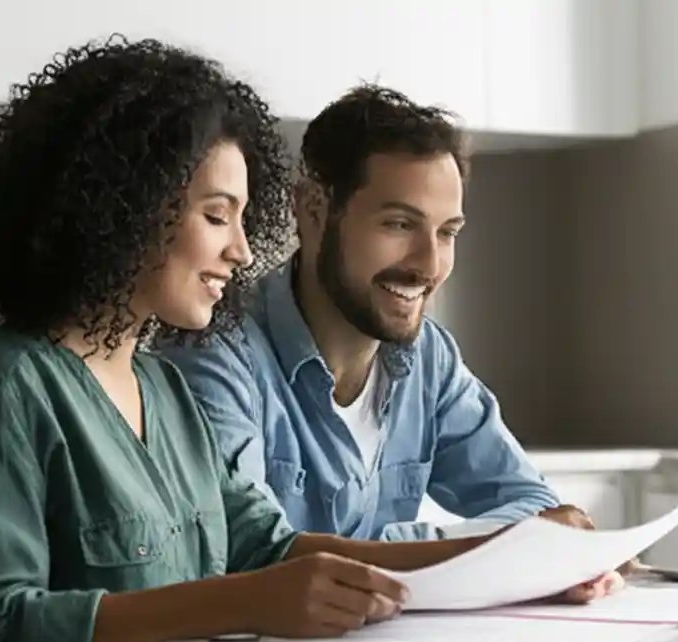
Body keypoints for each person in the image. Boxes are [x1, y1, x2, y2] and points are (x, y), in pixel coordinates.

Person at [0, 39, 621, 642]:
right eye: (218, 216)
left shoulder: (163, 392)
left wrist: (512, 558)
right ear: (124, 209)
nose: (243, 251)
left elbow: (272, 551)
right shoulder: (2, 390)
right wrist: (244, 602)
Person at [161, 85, 592, 542]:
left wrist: (540, 542)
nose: (429, 265)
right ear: (312, 210)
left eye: (447, 233)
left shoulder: (430, 358)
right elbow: (256, 551)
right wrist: (487, 543)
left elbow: (536, 504)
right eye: (399, 224)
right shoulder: (214, 351)